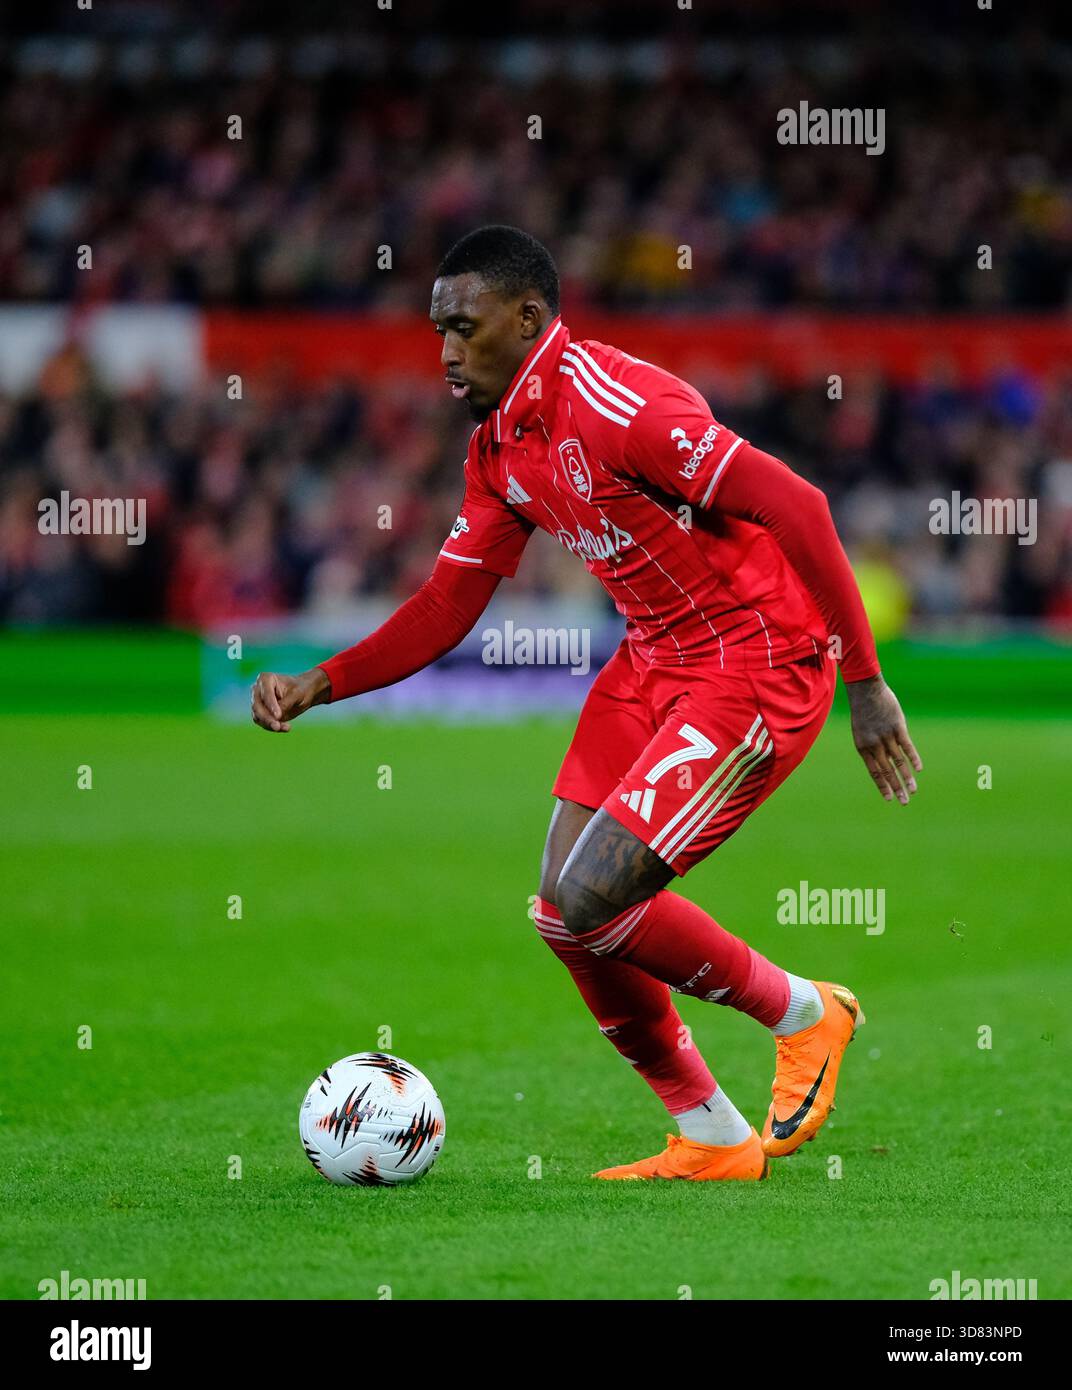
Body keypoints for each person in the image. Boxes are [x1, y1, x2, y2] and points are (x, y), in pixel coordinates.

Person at [252, 225, 921, 1181]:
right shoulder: (500, 447)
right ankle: (714, 1137)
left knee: (594, 896)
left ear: (528, 320)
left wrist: (866, 684)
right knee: (562, 911)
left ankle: (807, 1014)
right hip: (651, 658)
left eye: (463, 327)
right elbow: (448, 603)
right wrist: (324, 682)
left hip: (757, 663)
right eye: (436, 329)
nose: (444, 351)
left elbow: (800, 505)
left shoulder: (620, 407)